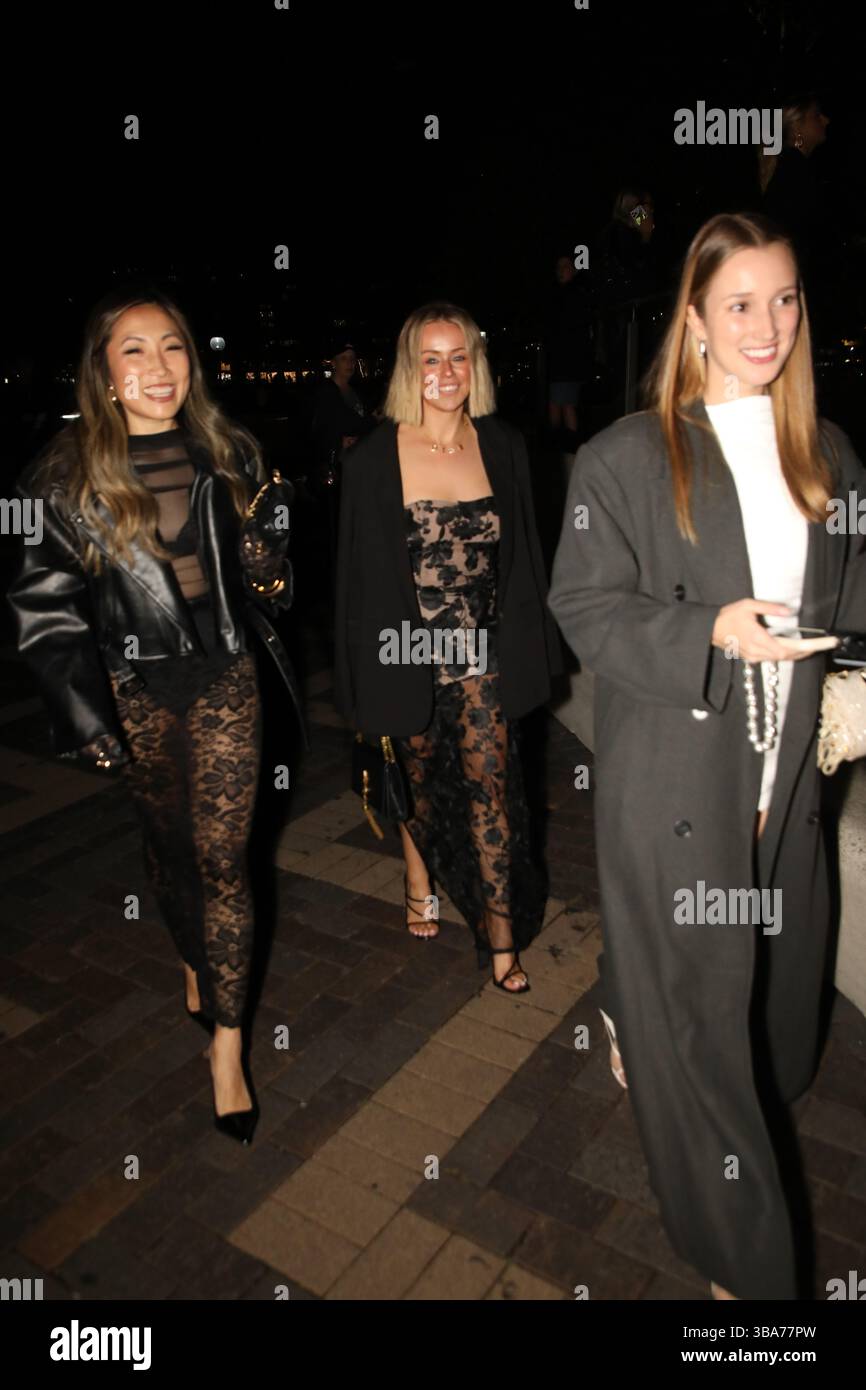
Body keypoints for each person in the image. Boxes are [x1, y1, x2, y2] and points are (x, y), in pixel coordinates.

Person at [548, 212, 866, 1299]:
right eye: (738, 303)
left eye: (783, 300)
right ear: (691, 319)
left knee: (775, 1025)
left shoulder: (826, 456)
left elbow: (854, 607)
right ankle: (746, 1283)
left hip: (787, 788)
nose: (765, 324)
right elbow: (579, 604)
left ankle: (622, 991)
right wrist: (706, 633)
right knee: (705, 1064)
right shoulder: (625, 457)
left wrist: (855, 690)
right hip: (676, 793)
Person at [7, 287, 305, 1146]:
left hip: (223, 679)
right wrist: (85, 715)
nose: (157, 367)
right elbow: (42, 606)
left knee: (223, 861)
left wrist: (272, 555)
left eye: (172, 347)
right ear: (104, 371)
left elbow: (273, 595)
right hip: (134, 688)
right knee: (171, 849)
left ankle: (226, 1044)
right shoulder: (62, 474)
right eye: (133, 350)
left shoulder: (230, 450)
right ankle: (188, 951)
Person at [334, 302, 561, 989]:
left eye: (458, 356)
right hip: (407, 651)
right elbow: (355, 580)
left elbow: (525, 562)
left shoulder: (504, 445)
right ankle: (416, 865)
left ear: (475, 365)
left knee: (492, 786)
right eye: (430, 358)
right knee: (424, 783)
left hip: (481, 651)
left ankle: (500, 937)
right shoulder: (375, 457)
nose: (445, 372)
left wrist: (531, 649)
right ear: (410, 368)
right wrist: (359, 680)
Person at [543, 254, 594, 447]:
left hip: (568, 360)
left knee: (563, 404)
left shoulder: (574, 294)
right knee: (561, 403)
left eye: (565, 266)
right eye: (559, 267)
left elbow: (571, 329)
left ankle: (566, 447)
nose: (560, 271)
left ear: (573, 269)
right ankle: (565, 446)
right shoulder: (565, 294)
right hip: (563, 360)